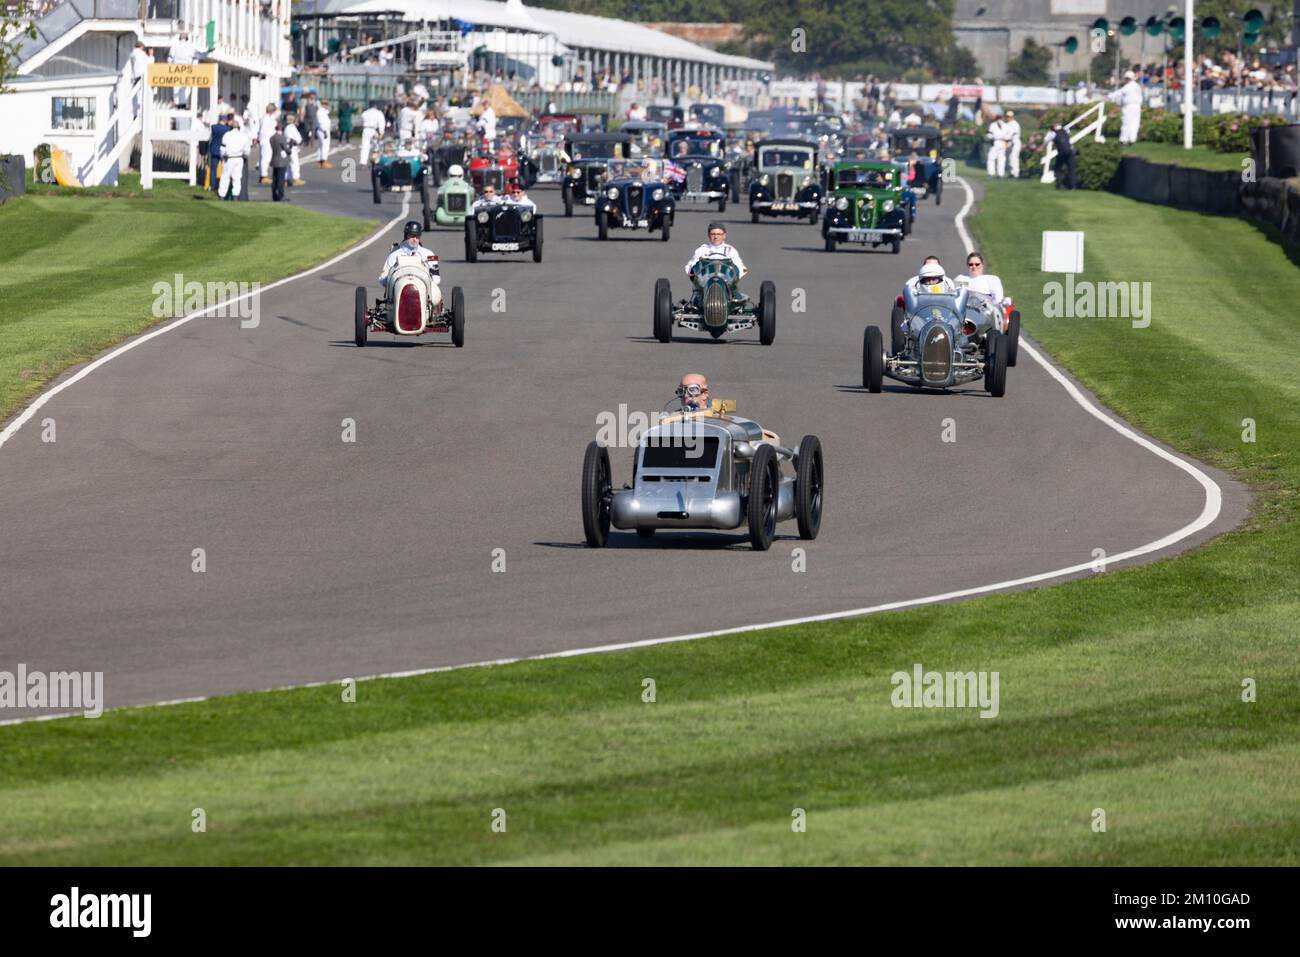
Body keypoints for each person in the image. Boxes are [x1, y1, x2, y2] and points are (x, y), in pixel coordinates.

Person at [379, 221, 440, 288]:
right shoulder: (394, 255)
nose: (415, 239)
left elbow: (436, 277)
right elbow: (382, 279)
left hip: (423, 289)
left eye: (417, 237)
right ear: (406, 235)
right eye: (412, 236)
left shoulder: (428, 254)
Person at [218, 117, 250, 200]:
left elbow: (222, 148)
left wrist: (222, 156)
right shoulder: (244, 136)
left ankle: (222, 195)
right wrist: (245, 155)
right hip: (239, 158)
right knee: (237, 178)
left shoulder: (227, 135)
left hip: (229, 158)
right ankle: (236, 196)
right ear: (238, 127)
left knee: (225, 177)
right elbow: (247, 150)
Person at [1110, 70, 1143, 144]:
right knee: (1135, 123)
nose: (1126, 80)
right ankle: (1132, 139)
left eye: (1127, 78)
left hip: (1129, 106)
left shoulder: (1128, 86)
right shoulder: (1137, 86)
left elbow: (1119, 93)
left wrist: (1109, 96)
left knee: (1126, 122)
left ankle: (1123, 139)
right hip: (1137, 107)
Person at [206, 112, 229, 192]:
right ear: (225, 120)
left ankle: (212, 187)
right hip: (223, 151)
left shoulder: (213, 127)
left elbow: (210, 138)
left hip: (214, 150)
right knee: (224, 169)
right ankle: (221, 187)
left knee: (213, 170)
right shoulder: (227, 129)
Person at [1049, 123, 1076, 189]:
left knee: (1057, 168)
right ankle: (1072, 186)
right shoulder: (1066, 131)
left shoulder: (1053, 133)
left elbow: (1046, 140)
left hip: (1061, 153)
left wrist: (1041, 147)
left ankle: (1058, 185)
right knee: (1071, 170)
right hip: (1070, 152)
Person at [268, 122, 290, 201]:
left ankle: (274, 195)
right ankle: (281, 195)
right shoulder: (281, 138)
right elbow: (286, 149)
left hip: (274, 159)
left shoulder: (272, 138)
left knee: (274, 179)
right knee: (281, 179)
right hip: (281, 160)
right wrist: (290, 146)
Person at [359, 101, 385, 165]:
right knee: (376, 146)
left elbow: (361, 121)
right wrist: (381, 132)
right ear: (375, 106)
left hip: (366, 129)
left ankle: (363, 162)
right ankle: (376, 161)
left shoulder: (365, 113)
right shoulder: (379, 113)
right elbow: (382, 123)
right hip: (374, 130)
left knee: (365, 146)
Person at [257, 103, 277, 184]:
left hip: (266, 140)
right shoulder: (266, 119)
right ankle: (264, 176)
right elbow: (263, 130)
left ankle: (263, 175)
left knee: (264, 158)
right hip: (266, 140)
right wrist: (260, 139)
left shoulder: (268, 117)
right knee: (266, 158)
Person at [985, 113, 1009, 177]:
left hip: (996, 142)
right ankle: (1000, 174)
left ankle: (991, 173)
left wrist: (988, 137)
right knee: (1001, 159)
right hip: (1003, 143)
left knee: (991, 158)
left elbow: (990, 134)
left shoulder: (993, 125)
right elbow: (1008, 136)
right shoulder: (1006, 125)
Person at [283, 117, 304, 186]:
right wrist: (295, 142)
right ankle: (296, 178)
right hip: (291, 148)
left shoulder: (292, 127)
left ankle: (287, 179)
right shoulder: (289, 127)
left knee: (289, 164)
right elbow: (289, 138)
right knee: (294, 163)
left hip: (294, 148)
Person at [1004, 110, 1022, 178]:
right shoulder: (1007, 124)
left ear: (1012, 117)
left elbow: (1014, 134)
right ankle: (1010, 173)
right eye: (1007, 116)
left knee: (1014, 158)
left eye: (1009, 117)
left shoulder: (1015, 124)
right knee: (1008, 159)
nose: (1008, 118)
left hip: (1014, 143)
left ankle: (1015, 173)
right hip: (1008, 143)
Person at [315, 100, 333, 169]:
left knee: (321, 146)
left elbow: (328, 112)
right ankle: (324, 161)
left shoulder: (323, 111)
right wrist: (324, 131)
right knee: (325, 146)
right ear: (322, 104)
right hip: (323, 131)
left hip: (322, 130)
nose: (327, 105)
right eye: (325, 104)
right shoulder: (320, 112)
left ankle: (320, 160)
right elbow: (321, 122)